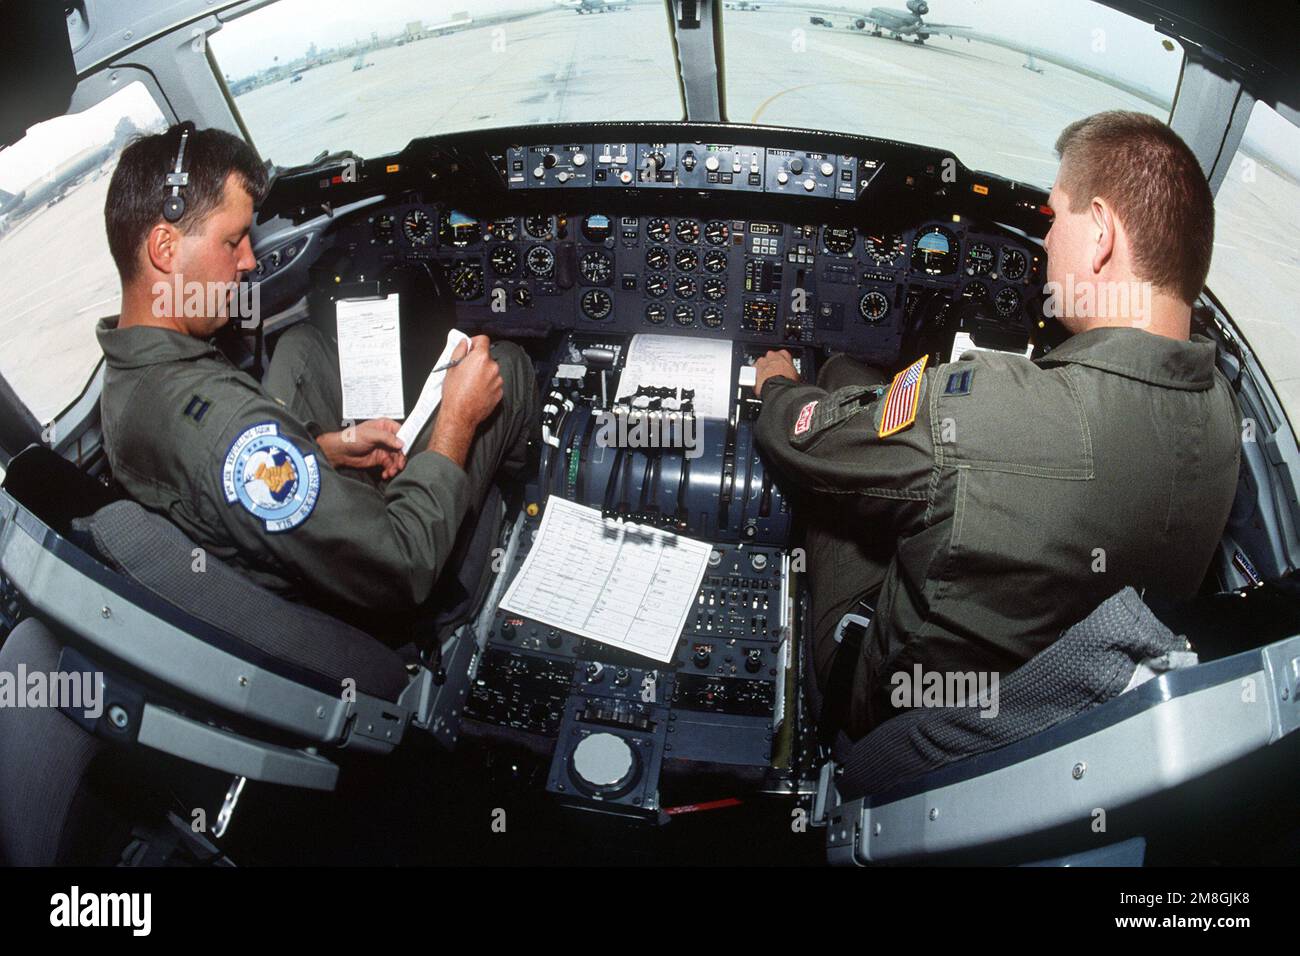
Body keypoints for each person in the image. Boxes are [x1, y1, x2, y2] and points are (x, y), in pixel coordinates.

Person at [752, 111, 1241, 739]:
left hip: (898, 708)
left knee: (831, 439)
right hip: (1047, 715)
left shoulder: (991, 407)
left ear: (1101, 233)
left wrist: (779, 386)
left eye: (1054, 218)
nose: (1045, 242)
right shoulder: (1222, 411)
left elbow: (806, 439)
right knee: (854, 375)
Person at [97, 124, 535, 632]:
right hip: (386, 584)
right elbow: (402, 562)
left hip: (284, 552)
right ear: (165, 248)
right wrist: (458, 420)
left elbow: (230, 490)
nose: (249, 260)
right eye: (233, 241)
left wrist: (326, 449)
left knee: (301, 343)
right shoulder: (228, 433)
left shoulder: (127, 376)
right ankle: (519, 506)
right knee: (505, 366)